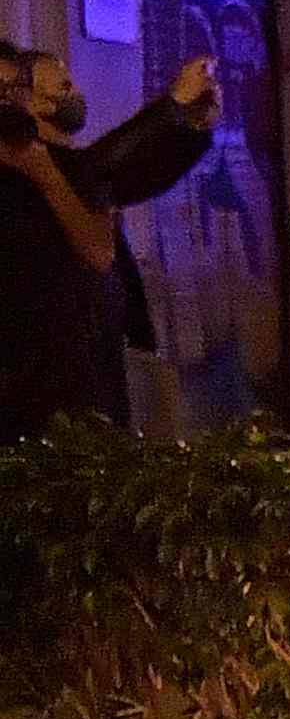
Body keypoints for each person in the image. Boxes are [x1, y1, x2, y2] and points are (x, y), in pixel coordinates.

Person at [0, 51, 217, 439]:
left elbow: (108, 195)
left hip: (85, 389)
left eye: (10, 90)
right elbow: (106, 169)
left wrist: (184, 122)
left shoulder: (50, 170)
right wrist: (174, 111)